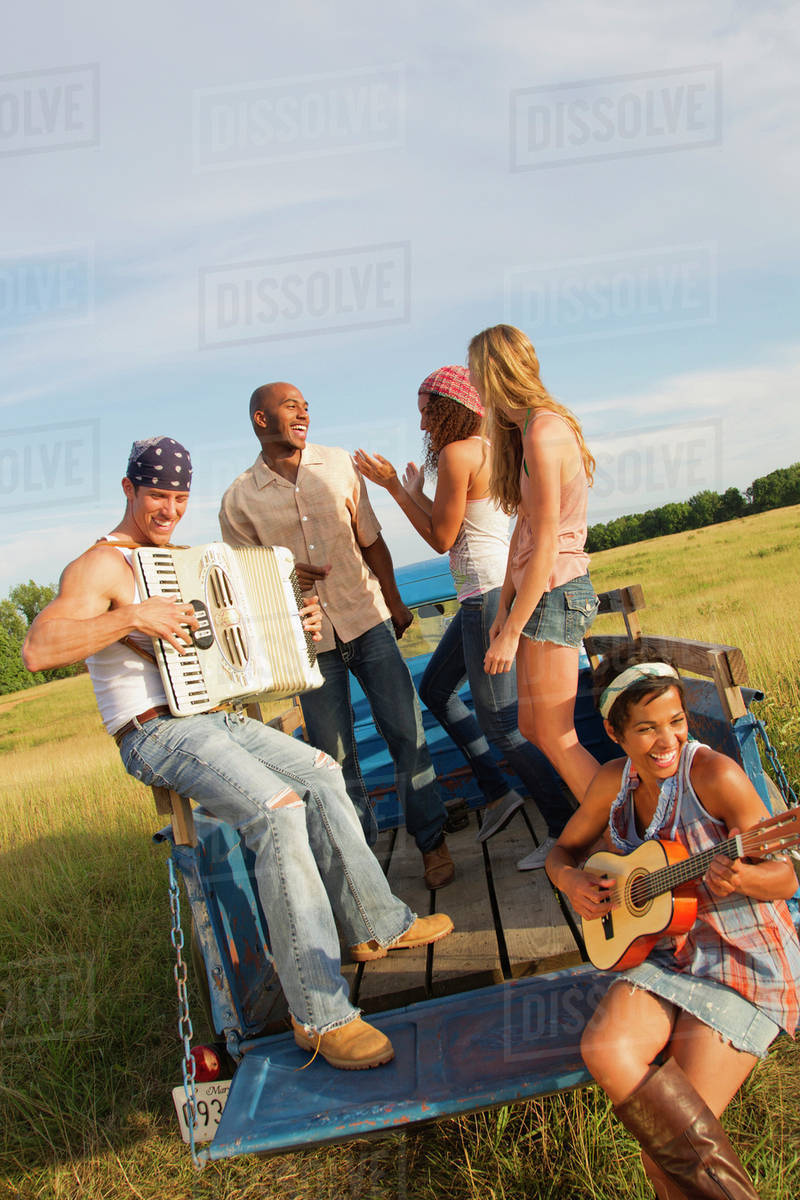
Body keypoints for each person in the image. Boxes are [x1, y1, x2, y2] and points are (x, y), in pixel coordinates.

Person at [22, 436, 453, 1072]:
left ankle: (372, 922)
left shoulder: (184, 565)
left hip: (212, 717)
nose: (167, 508)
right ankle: (321, 1013)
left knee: (321, 773)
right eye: (155, 495)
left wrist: (297, 630)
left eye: (177, 497)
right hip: (154, 730)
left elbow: (234, 660)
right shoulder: (102, 566)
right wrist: (129, 617)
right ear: (128, 489)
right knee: (276, 811)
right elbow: (40, 647)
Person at [545, 650, 800, 1198]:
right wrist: (572, 883)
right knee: (606, 1051)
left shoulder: (714, 774)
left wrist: (742, 879)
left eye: (677, 722)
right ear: (616, 735)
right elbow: (561, 852)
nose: (667, 742)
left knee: (665, 1154)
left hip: (742, 957)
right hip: (665, 951)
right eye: (646, 729)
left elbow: (786, 879)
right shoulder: (613, 781)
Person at [218, 383, 454, 890]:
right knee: (333, 760)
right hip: (309, 644)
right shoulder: (239, 500)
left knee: (407, 735)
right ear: (261, 420)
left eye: (306, 404)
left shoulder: (341, 466)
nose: (304, 412)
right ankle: (363, 869)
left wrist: (394, 602)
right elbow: (244, 586)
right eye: (290, 406)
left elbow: (371, 539)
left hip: (366, 619)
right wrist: (284, 579)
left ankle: (432, 844)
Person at [353, 365, 573, 861]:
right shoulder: (492, 448)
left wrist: (392, 488)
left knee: (501, 722)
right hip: (498, 587)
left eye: (428, 413)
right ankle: (499, 792)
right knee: (434, 688)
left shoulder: (456, 454)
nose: (425, 426)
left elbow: (440, 537)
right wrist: (412, 491)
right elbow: (461, 519)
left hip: (485, 595)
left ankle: (563, 826)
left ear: (450, 408)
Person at [468, 324, 600, 818]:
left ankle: (622, 839)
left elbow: (545, 544)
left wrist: (509, 633)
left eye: (478, 375)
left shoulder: (544, 431)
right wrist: (503, 609)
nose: (476, 388)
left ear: (494, 372)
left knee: (556, 733)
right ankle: (609, 830)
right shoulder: (524, 433)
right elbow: (521, 536)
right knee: (534, 725)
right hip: (536, 593)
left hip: (557, 589)